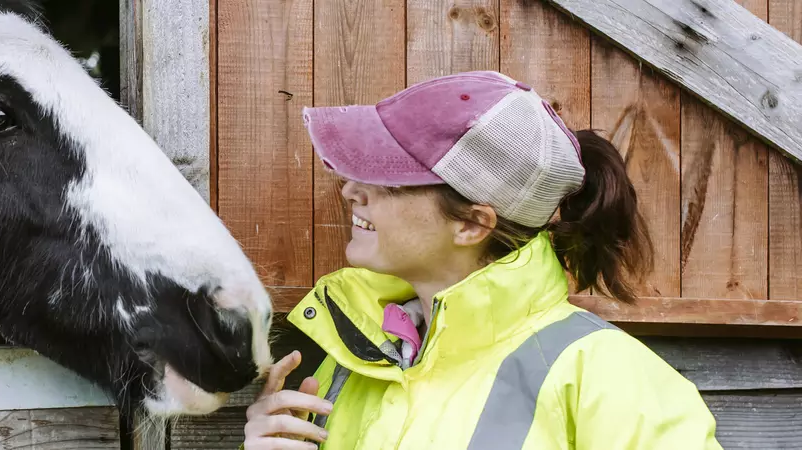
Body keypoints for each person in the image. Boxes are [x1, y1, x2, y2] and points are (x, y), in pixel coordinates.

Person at [241, 71, 722, 449]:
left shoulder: (609, 377)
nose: (350, 191)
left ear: (472, 223)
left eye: (389, 179)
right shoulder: (342, 358)